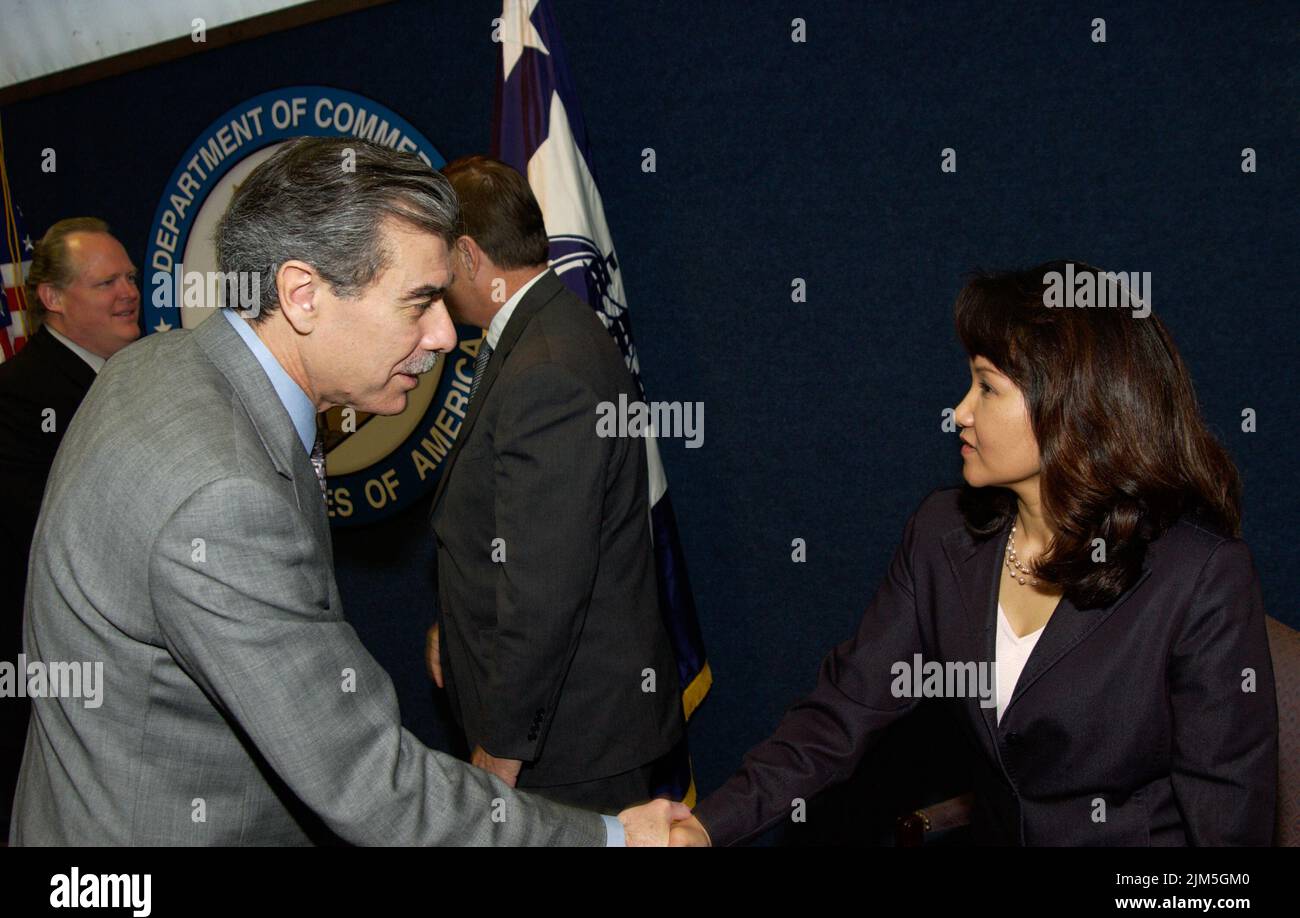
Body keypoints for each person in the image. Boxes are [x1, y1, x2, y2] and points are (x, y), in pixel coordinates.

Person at [9, 137, 686, 846]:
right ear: (303, 294)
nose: (444, 333)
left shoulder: (154, 365)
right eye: (419, 301)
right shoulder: (219, 495)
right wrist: (612, 838)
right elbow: (370, 784)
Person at [668, 261, 1278, 846]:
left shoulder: (1199, 578)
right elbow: (839, 715)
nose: (959, 411)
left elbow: (1228, 840)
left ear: (1071, 404)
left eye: (987, 386)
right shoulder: (942, 535)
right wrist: (706, 826)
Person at [425, 155, 683, 812]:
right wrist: (454, 630)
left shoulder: (545, 368)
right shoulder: (549, 332)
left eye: (434, 261)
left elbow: (544, 585)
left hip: (567, 748)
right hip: (573, 728)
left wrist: (502, 749)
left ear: (468, 256)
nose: (429, 283)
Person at [0, 217, 140, 835]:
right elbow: (43, 537)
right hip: (64, 671)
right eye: (106, 281)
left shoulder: (144, 374)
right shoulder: (20, 396)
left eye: (131, 276)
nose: (129, 292)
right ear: (53, 300)